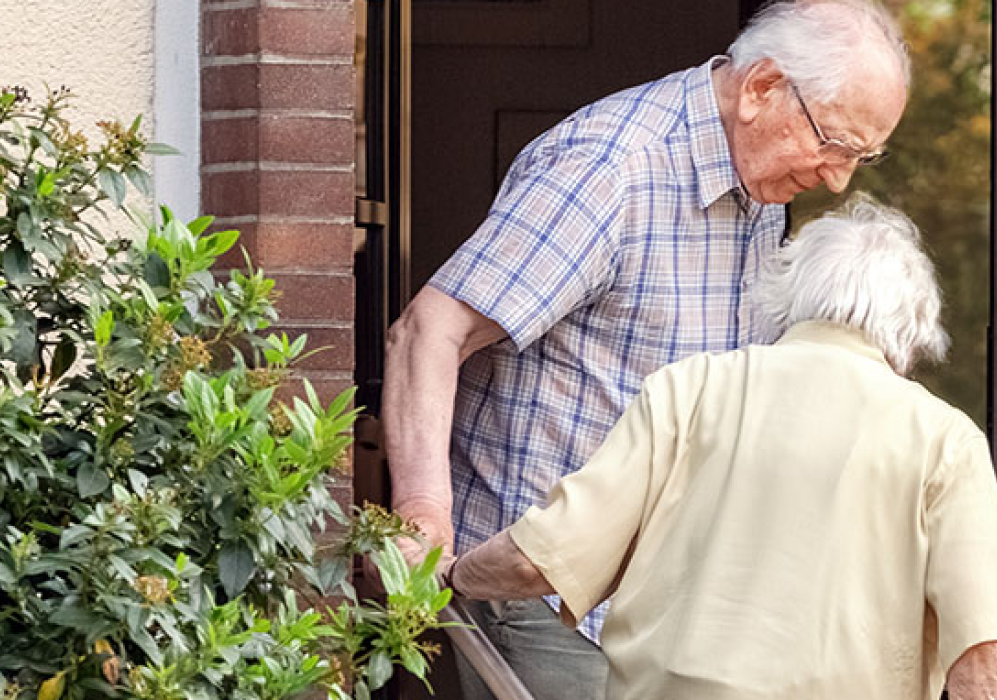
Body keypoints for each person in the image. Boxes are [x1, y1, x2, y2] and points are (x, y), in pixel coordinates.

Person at [378, 1, 910, 696]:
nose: (838, 178)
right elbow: (429, 330)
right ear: (761, 88)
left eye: (861, 156)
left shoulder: (760, 178)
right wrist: (422, 516)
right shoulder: (612, 171)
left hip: (665, 600)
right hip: (548, 598)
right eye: (834, 144)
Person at [443, 198, 997, 700]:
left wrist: (448, 574)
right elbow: (982, 661)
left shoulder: (690, 389)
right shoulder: (943, 439)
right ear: (913, 333)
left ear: (787, 295)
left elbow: (539, 558)